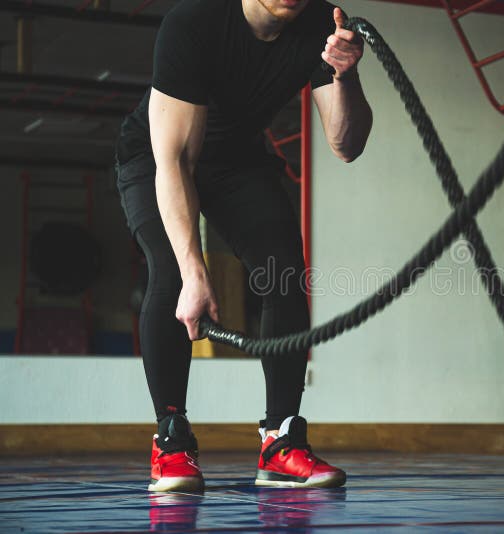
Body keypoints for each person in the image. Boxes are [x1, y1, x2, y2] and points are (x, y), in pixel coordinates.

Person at [114, 0, 372, 492]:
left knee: (283, 272)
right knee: (172, 274)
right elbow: (175, 162)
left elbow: (346, 144)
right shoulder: (193, 23)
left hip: (236, 159)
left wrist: (344, 75)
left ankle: (281, 443)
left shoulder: (323, 25)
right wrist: (195, 272)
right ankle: (170, 440)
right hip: (156, 157)